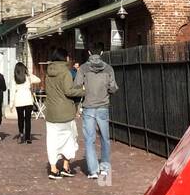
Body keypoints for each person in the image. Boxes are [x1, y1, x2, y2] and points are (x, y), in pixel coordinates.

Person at [43, 49, 84, 179]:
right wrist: (83, 91)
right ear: (64, 58)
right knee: (70, 140)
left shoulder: (48, 73)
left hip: (51, 112)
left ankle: (53, 168)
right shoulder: (65, 72)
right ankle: (66, 166)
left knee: (52, 141)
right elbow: (69, 91)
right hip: (65, 112)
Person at [80, 52, 118, 178]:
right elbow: (113, 88)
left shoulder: (83, 68)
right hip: (103, 106)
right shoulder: (108, 68)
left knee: (89, 139)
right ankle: (105, 168)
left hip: (89, 106)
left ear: (89, 53)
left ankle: (93, 171)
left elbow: (77, 86)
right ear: (101, 53)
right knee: (105, 139)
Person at [9, 61, 41, 144]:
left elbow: (12, 92)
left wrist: (11, 104)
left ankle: (21, 133)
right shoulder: (28, 77)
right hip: (28, 100)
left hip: (19, 100)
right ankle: (28, 138)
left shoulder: (14, 78)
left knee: (20, 118)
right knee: (28, 120)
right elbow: (38, 80)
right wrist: (29, 73)